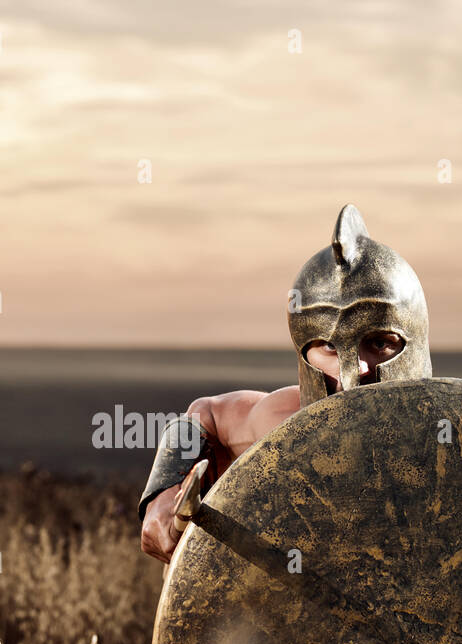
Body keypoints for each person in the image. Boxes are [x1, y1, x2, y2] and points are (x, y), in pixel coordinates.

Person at [139, 204, 434, 563]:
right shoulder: (283, 423)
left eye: (380, 342)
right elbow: (206, 415)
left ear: (413, 342)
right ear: (304, 350)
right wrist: (164, 499)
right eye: (328, 346)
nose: (354, 368)